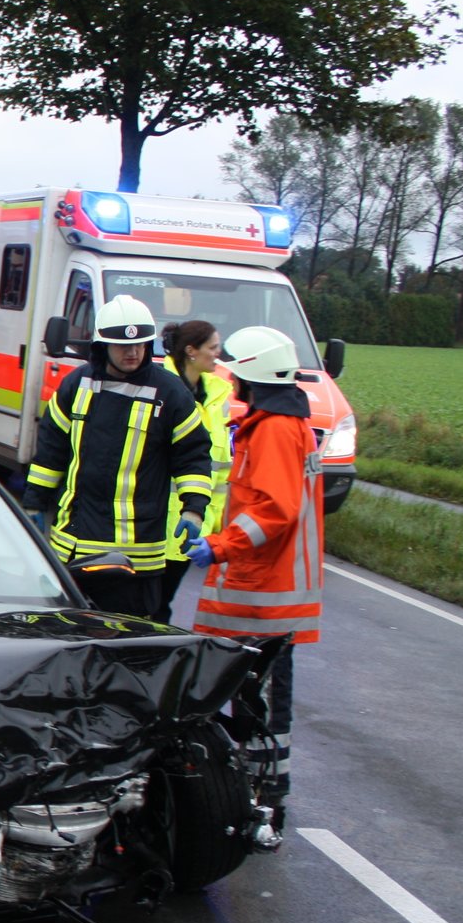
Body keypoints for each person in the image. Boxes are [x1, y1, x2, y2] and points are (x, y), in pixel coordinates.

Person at [187, 325, 325, 832]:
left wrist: (220, 546)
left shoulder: (273, 430)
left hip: (265, 592)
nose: (231, 379)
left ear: (252, 375)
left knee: (259, 705)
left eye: (235, 371)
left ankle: (264, 803)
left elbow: (274, 510)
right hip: (269, 588)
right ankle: (261, 797)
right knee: (259, 700)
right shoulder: (285, 423)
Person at [22, 294, 213, 617]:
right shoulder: (76, 385)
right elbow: (51, 452)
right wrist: (33, 503)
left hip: (136, 556)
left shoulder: (171, 394)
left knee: (126, 639)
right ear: (102, 346)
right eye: (123, 346)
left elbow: (193, 456)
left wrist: (193, 509)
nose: (132, 352)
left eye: (139, 344)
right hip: (73, 546)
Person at [155, 319, 231, 621]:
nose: (218, 353)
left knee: (163, 601)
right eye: (213, 347)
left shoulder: (217, 395)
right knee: (149, 605)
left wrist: (217, 523)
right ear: (191, 351)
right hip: (153, 523)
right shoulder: (161, 388)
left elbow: (221, 467)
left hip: (193, 520)